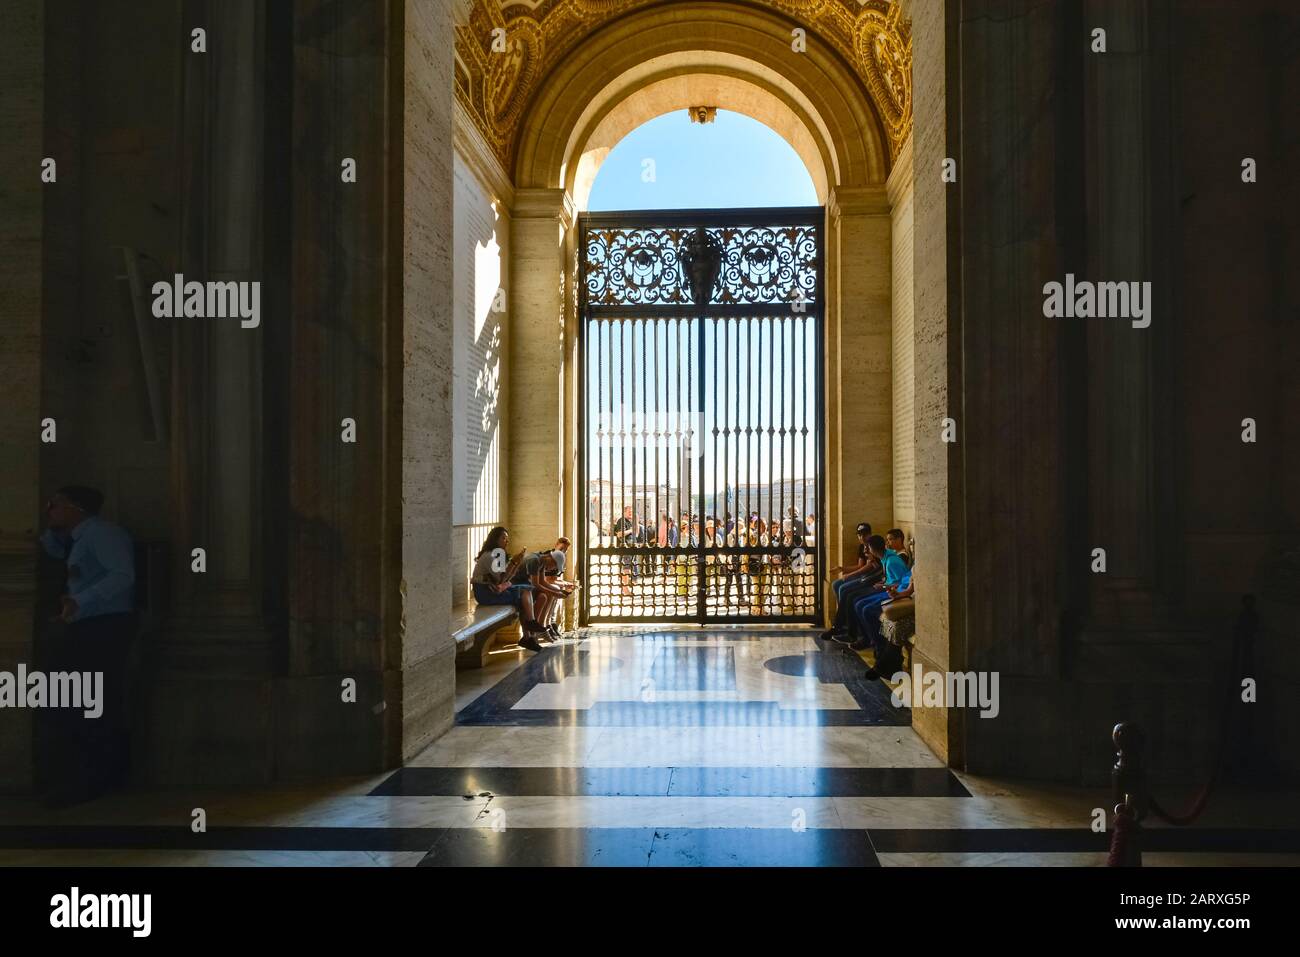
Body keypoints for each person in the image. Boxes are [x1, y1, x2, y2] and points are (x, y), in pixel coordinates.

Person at [38, 485, 137, 806]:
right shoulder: (77, 537)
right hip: (88, 626)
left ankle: (92, 779)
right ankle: (92, 776)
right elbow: (57, 552)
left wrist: (80, 601)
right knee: (80, 700)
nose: (49, 507)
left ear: (76, 508)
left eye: (55, 503)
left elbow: (123, 575)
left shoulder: (104, 534)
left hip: (104, 627)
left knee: (92, 703)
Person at [470, 526, 547, 651]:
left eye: (507, 538)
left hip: (494, 588)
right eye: (503, 538)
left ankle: (528, 636)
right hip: (486, 592)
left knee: (526, 591)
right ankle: (530, 627)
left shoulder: (499, 555)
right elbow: (502, 579)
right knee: (524, 594)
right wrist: (514, 563)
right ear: (495, 540)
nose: (507, 541)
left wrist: (516, 563)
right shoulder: (490, 556)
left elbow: (508, 577)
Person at [822, 523, 884, 641]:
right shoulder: (863, 547)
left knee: (845, 590)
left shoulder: (873, 546)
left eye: (864, 535)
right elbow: (860, 565)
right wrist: (842, 569)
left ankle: (841, 626)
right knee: (837, 585)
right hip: (865, 577)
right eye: (859, 535)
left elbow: (869, 567)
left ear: (870, 534)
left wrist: (849, 575)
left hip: (871, 579)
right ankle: (844, 619)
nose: (862, 538)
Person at [513, 549, 570, 643]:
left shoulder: (542, 561)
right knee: (545, 596)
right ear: (550, 558)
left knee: (544, 596)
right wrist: (555, 593)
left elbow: (542, 582)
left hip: (526, 587)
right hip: (519, 588)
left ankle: (539, 627)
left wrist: (559, 591)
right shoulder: (534, 560)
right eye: (554, 565)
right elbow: (536, 584)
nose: (552, 569)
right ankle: (536, 628)